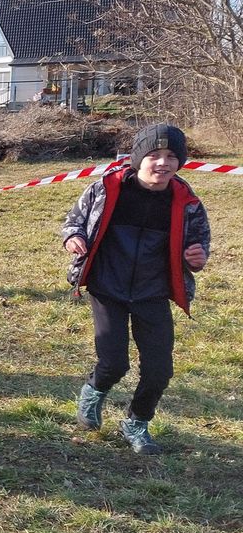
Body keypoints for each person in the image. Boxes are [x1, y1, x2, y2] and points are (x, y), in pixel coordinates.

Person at [64, 124, 210, 455]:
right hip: (107, 288)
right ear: (138, 157)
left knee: (160, 370)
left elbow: (199, 244)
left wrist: (197, 257)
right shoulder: (105, 188)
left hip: (153, 292)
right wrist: (74, 238)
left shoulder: (187, 202)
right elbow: (74, 221)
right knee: (114, 363)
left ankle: (136, 423)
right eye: (154, 155)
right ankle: (93, 392)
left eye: (171, 156)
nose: (163, 163)